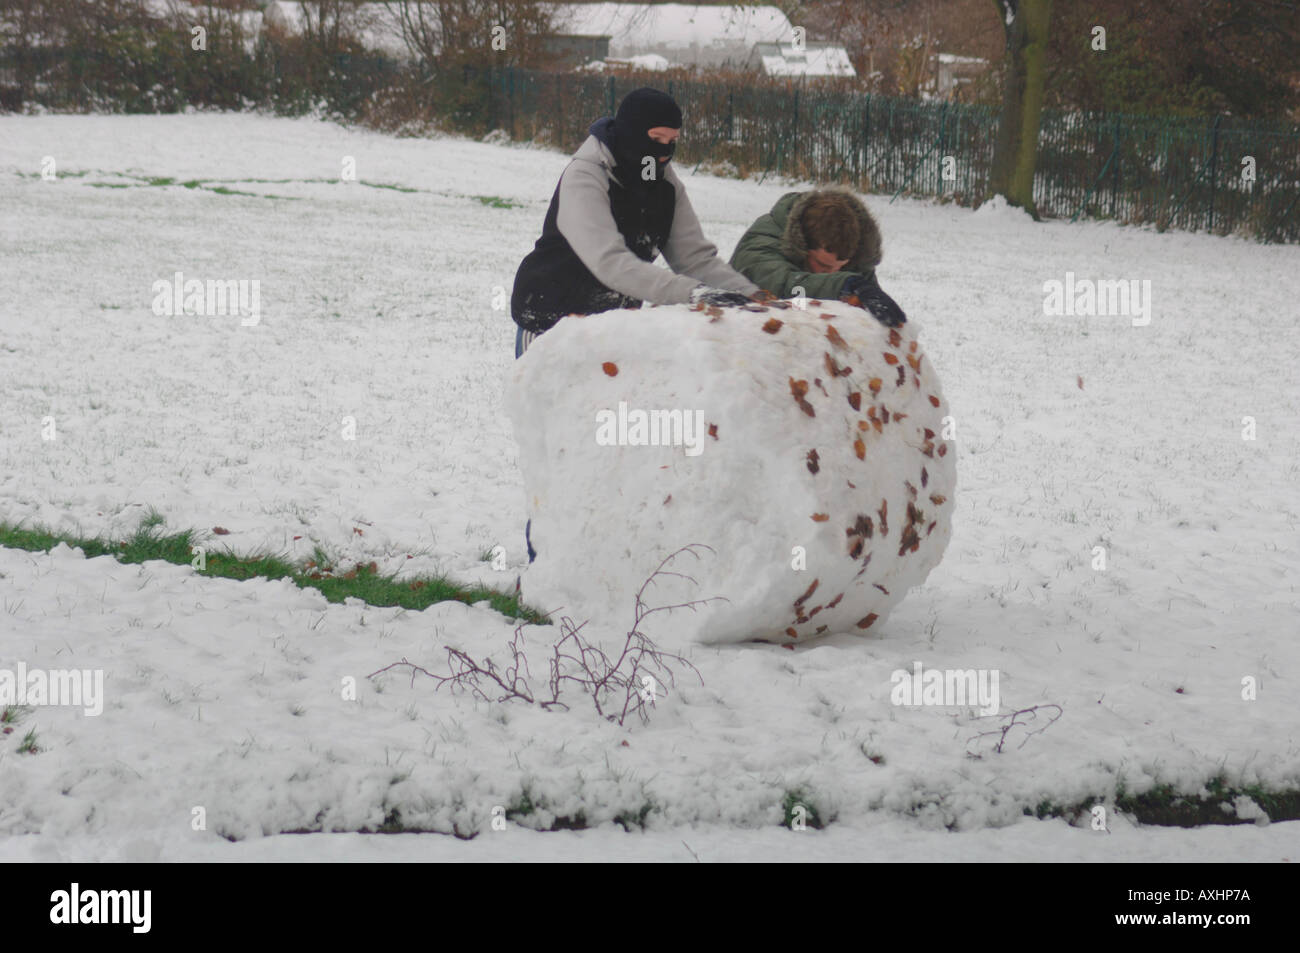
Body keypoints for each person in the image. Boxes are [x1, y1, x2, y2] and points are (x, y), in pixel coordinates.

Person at [510, 87, 760, 359]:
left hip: (614, 326)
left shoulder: (665, 185)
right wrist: (693, 294)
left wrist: (754, 297)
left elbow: (695, 261)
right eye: (656, 138)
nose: (664, 151)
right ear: (632, 133)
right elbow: (610, 262)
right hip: (551, 319)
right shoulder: (585, 176)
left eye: (672, 140)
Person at [729, 187, 906, 328]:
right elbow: (784, 286)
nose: (831, 273)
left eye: (840, 267)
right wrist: (844, 284)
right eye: (823, 265)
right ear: (801, 245)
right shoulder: (762, 241)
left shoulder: (857, 254)